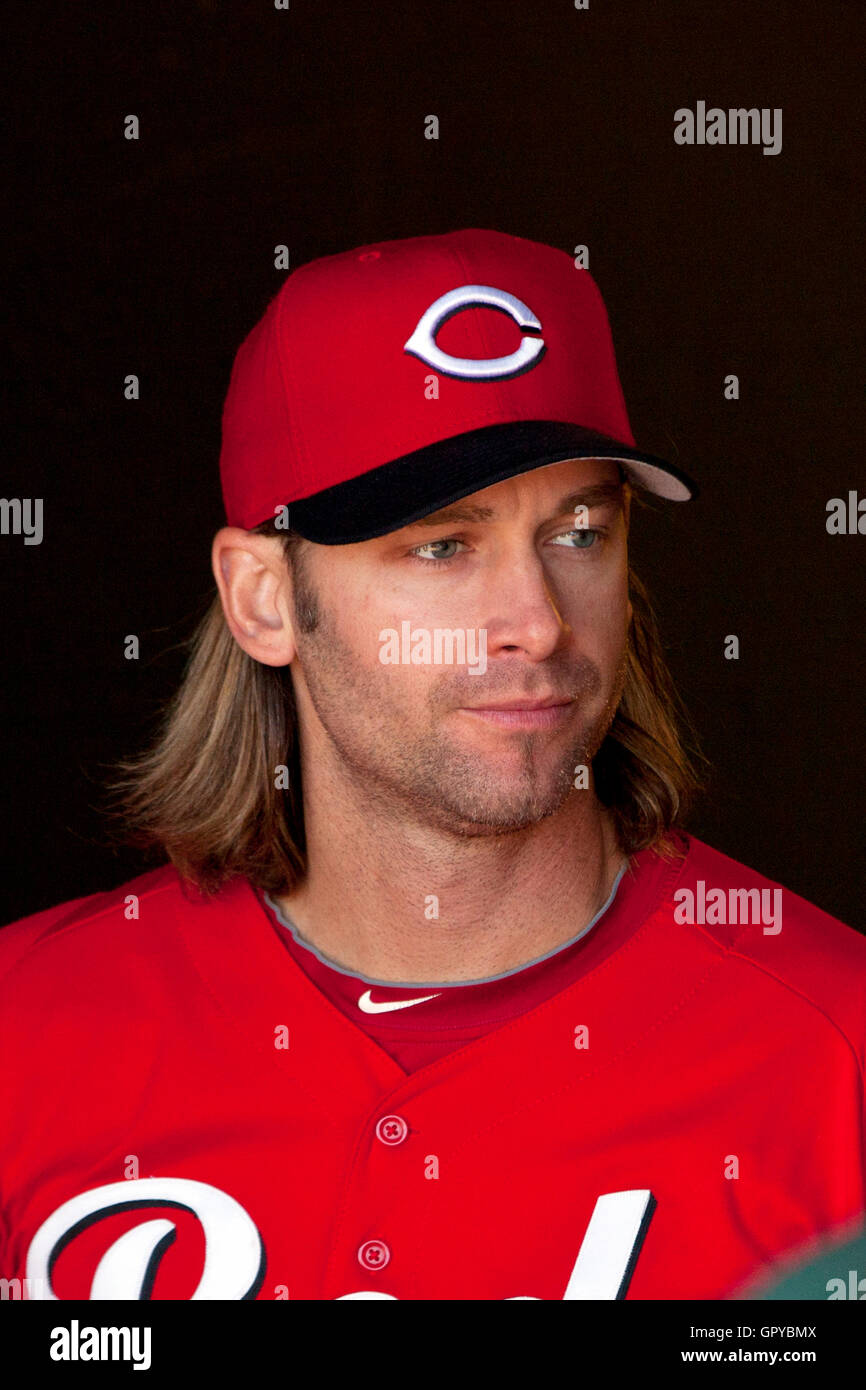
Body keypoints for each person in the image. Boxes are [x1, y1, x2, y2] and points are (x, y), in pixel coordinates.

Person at [2, 229, 863, 1302]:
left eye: (578, 531)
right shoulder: (26, 1032)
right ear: (264, 598)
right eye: (441, 546)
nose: (537, 625)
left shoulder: (835, 1065)